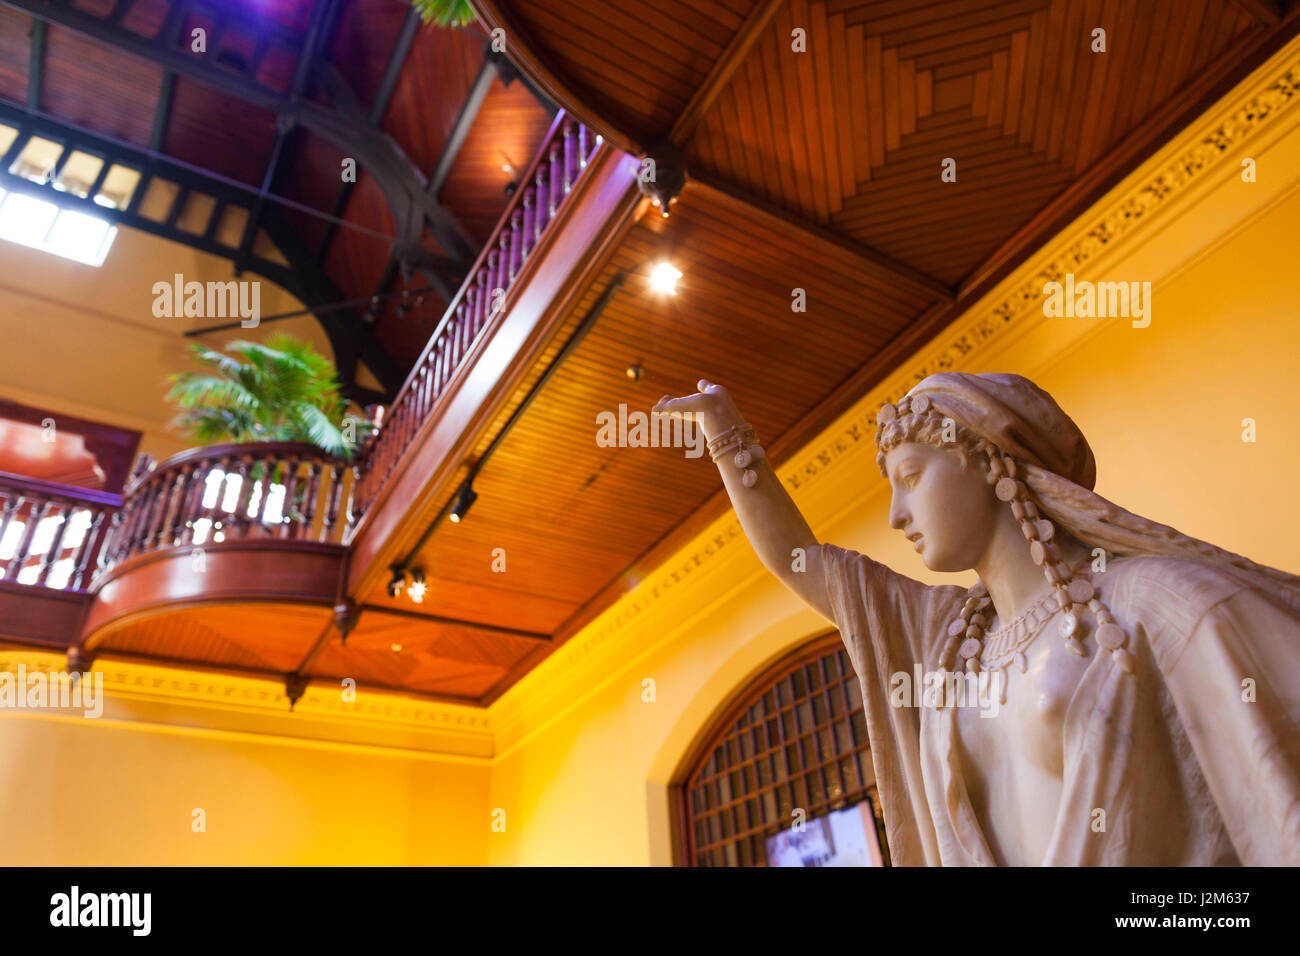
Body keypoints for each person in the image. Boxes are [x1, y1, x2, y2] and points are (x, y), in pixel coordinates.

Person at [654, 374, 1300, 866]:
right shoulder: (950, 640)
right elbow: (803, 563)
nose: (896, 514)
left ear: (990, 460)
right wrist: (728, 439)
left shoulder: (1153, 600)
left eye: (910, 476)